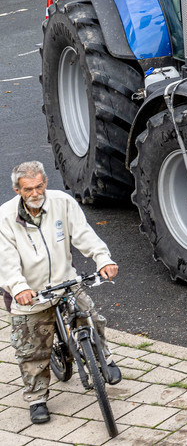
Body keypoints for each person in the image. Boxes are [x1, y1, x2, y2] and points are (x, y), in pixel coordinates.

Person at [0, 161, 119, 424]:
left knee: (91, 317)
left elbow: (83, 234)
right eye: (28, 189)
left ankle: (105, 360)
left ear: (45, 183)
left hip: (64, 281)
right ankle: (37, 398)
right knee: (31, 349)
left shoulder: (62, 203)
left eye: (39, 186)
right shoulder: (5, 217)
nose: (35, 193)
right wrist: (19, 288)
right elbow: (6, 261)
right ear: (17, 189)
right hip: (30, 293)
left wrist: (103, 259)